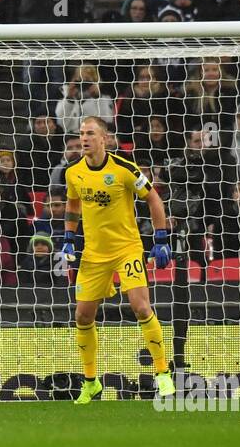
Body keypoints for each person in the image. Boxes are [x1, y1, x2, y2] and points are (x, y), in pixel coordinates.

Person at [61, 116, 176, 405]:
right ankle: (91, 382)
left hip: (127, 249)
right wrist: (68, 238)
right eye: (81, 133)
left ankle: (163, 373)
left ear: (104, 139)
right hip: (94, 255)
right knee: (83, 316)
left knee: (140, 306)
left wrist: (161, 239)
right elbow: (73, 205)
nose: (84, 138)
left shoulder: (124, 169)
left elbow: (154, 199)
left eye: (90, 134)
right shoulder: (73, 173)